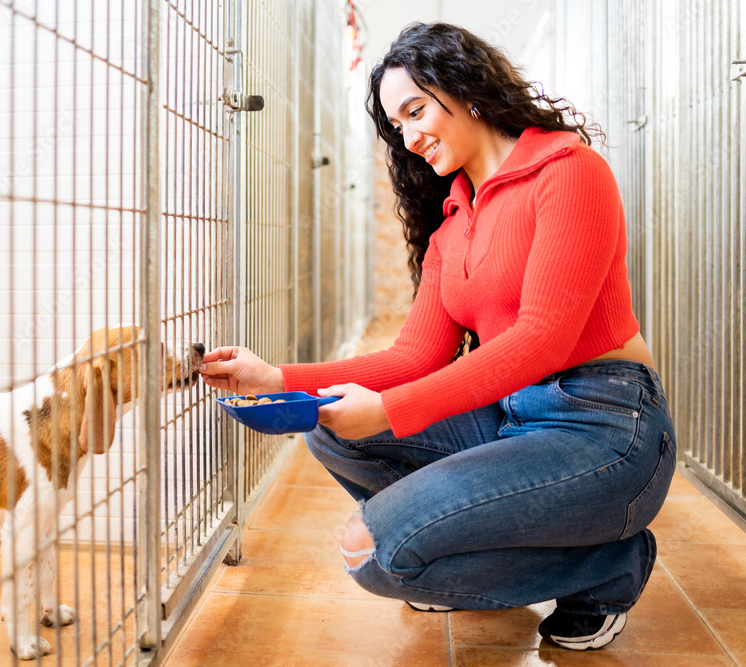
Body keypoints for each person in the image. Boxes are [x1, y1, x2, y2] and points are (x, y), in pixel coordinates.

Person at [198, 22, 675, 651]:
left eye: (417, 110)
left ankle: (606, 567)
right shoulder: (454, 222)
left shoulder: (569, 171)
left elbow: (543, 339)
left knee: (375, 553)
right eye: (397, 125)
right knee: (328, 422)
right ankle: (476, 545)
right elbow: (414, 355)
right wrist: (278, 379)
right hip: (512, 417)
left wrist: (391, 411)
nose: (409, 135)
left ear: (466, 89)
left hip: (606, 425)